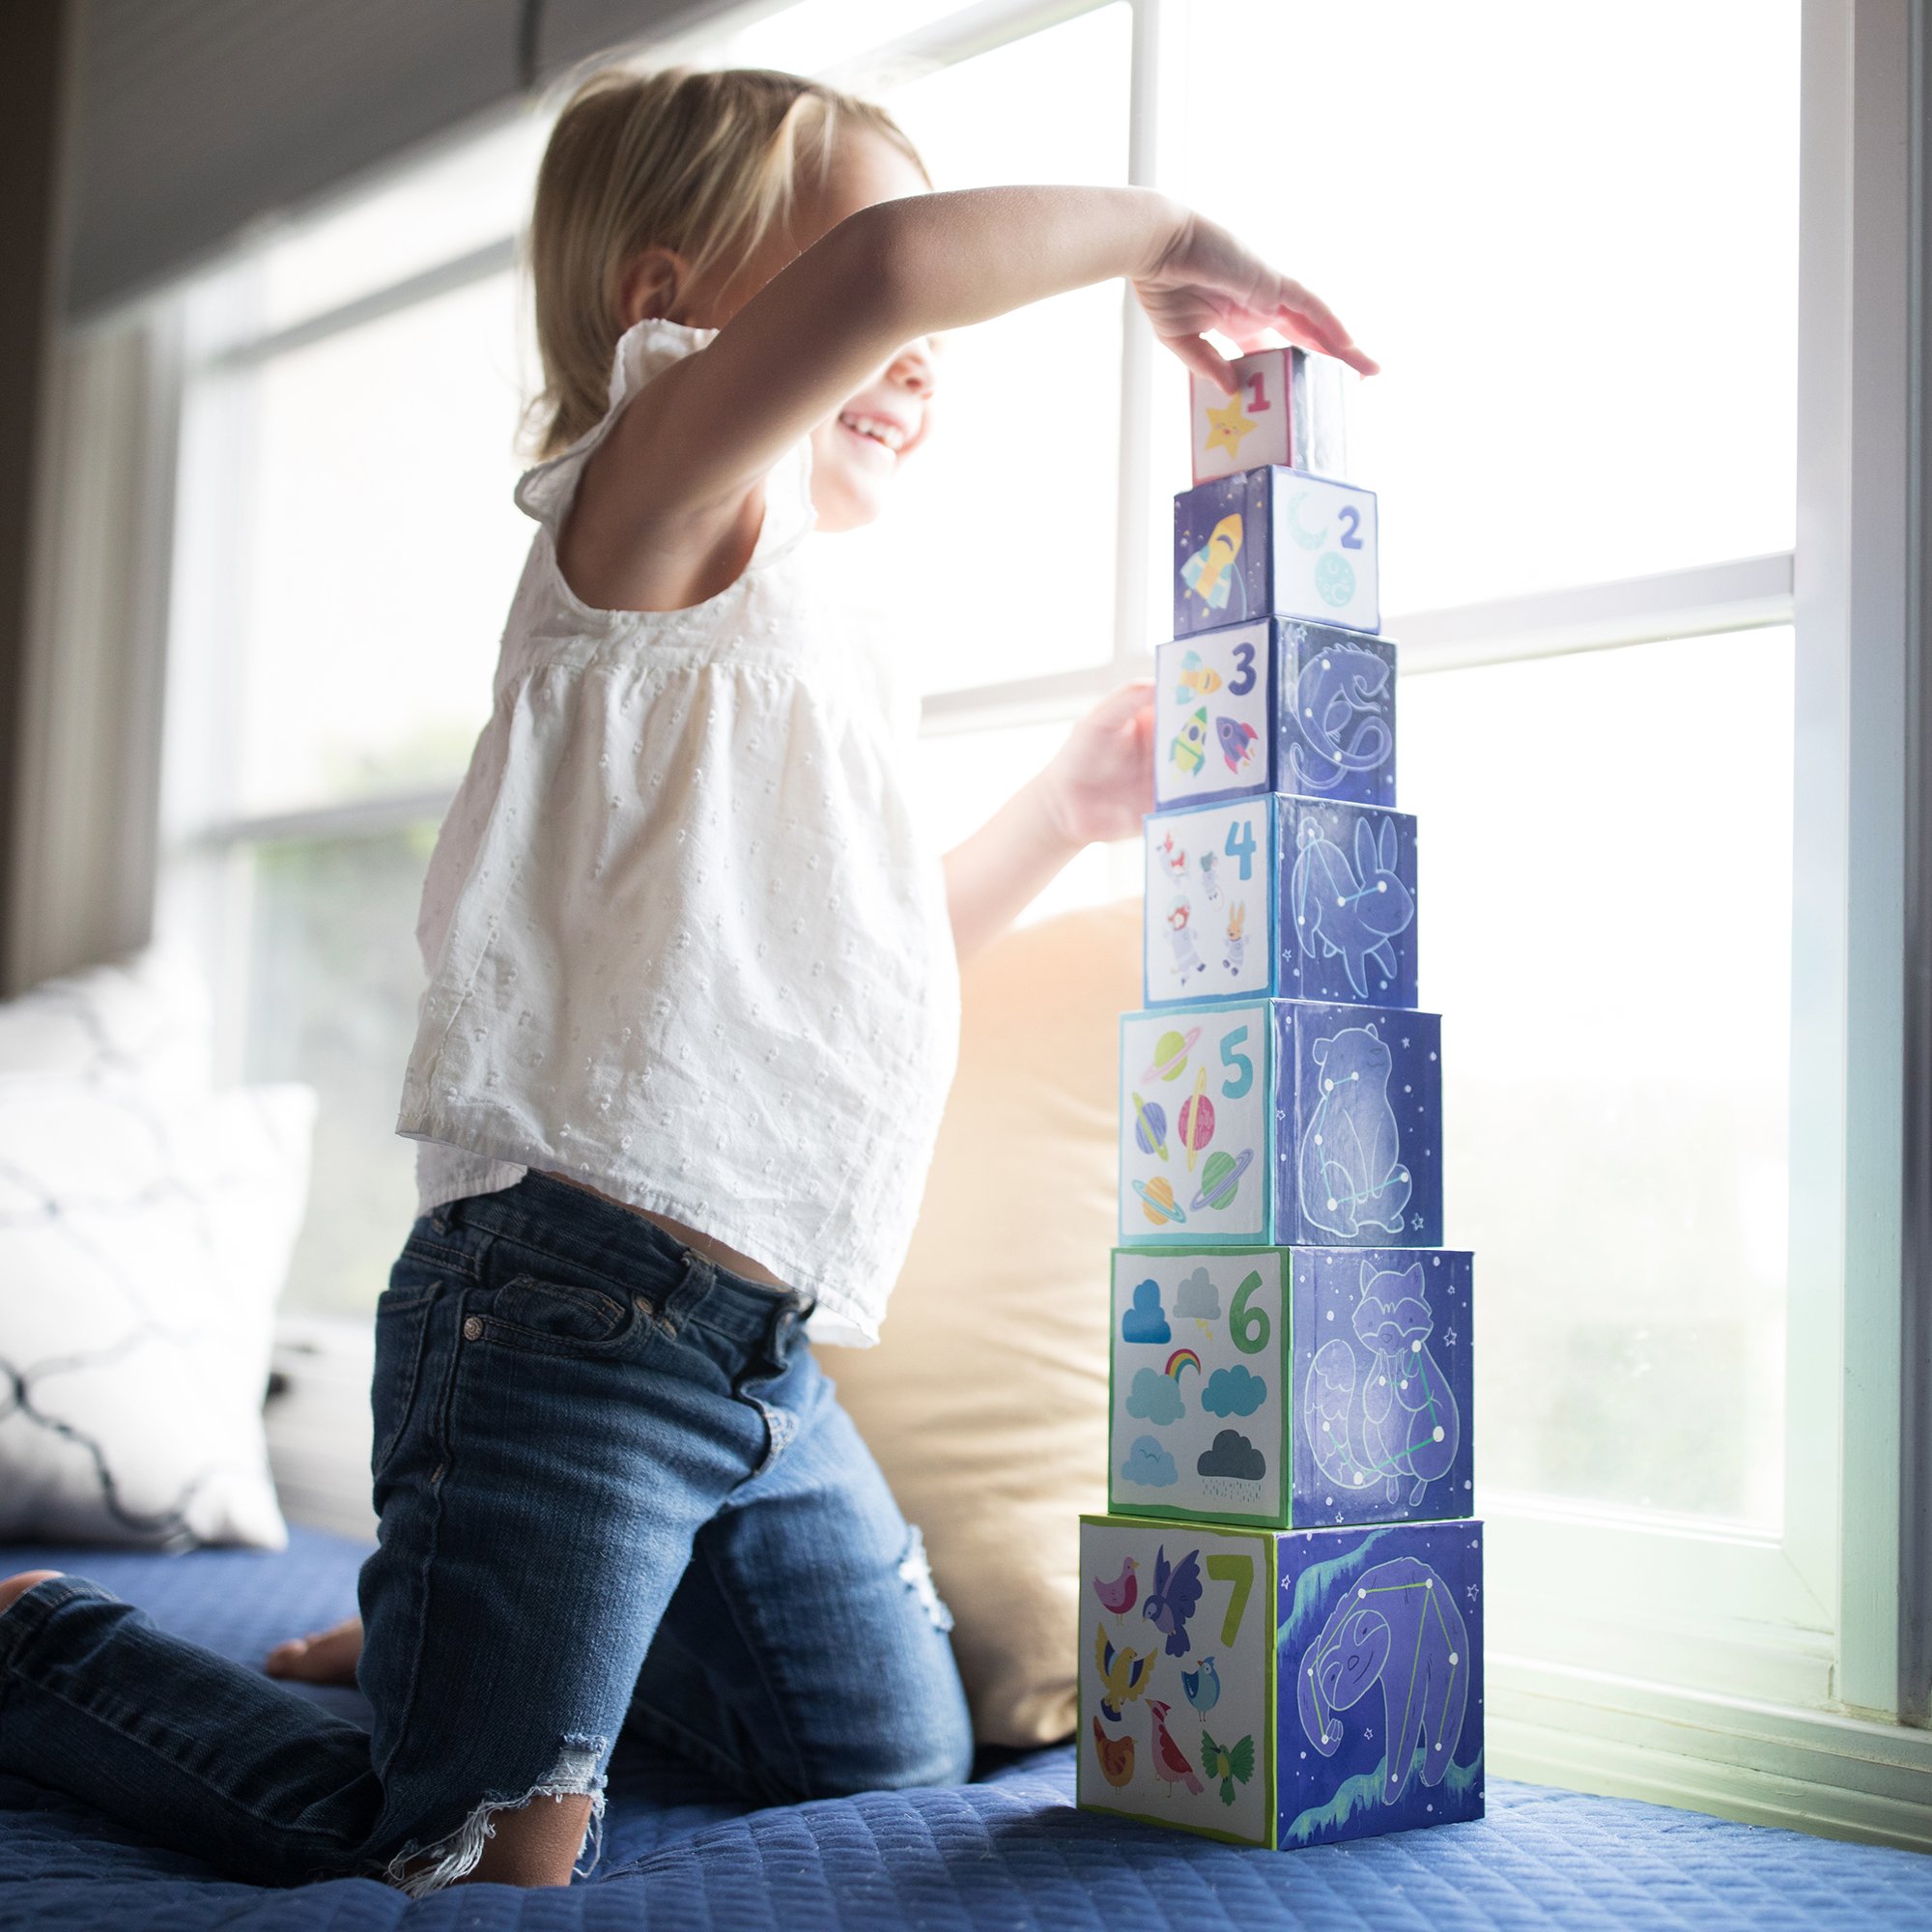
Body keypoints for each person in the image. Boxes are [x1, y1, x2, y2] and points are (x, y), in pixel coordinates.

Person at [0, 64, 1373, 1894]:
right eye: (849, 282)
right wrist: (1167, 238)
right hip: (561, 1330)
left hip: (766, 1358)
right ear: (668, 314)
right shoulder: (646, 515)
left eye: (921, 337)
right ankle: (51, 1652)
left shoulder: (815, 636)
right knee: (463, 1858)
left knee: (889, 1750)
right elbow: (892, 273)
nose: (921, 349)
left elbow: (872, 975)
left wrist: (1057, 813)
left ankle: (476, 1670)